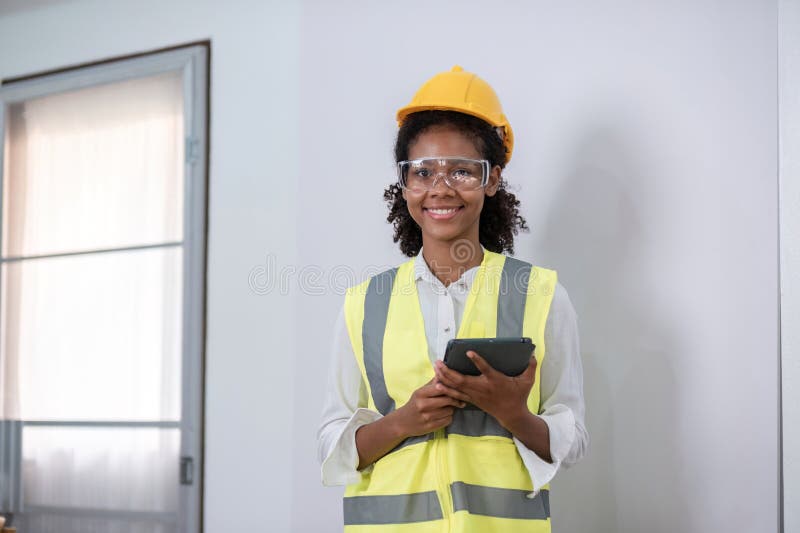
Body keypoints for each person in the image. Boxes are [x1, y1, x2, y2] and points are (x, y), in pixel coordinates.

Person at [317, 65, 588, 532]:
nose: (441, 188)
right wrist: (402, 421)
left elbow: (573, 439)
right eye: (423, 172)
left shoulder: (541, 295)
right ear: (404, 184)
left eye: (463, 171)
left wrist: (513, 414)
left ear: (493, 179)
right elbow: (330, 444)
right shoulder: (363, 304)